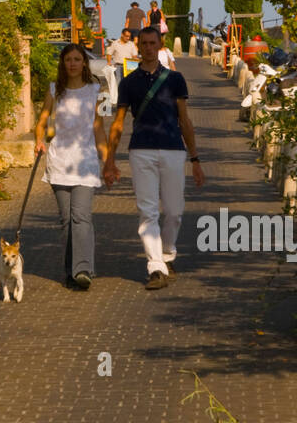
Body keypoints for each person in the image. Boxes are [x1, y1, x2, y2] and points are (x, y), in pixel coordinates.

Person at [103, 26, 204, 290]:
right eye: (144, 43)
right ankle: (156, 267)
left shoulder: (175, 79)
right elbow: (118, 123)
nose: (148, 47)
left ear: (160, 45)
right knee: (147, 212)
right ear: (138, 46)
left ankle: (167, 253)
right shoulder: (129, 82)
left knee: (174, 212)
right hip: (141, 151)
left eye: (152, 43)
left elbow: (185, 120)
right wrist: (110, 159)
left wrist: (195, 159)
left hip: (173, 149)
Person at [35, 43, 108, 291]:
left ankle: (84, 269)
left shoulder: (95, 90)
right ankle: (71, 271)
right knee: (66, 221)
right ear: (63, 64)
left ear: (84, 63)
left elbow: (98, 127)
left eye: (77, 59)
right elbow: (43, 119)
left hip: (85, 163)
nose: (73, 64)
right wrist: (38, 141)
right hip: (59, 162)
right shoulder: (55, 91)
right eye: (68, 60)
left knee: (81, 217)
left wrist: (107, 159)